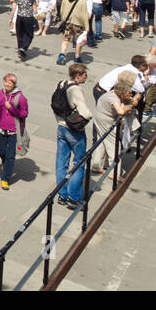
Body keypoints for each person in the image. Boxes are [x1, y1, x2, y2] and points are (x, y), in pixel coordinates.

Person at [53, 63, 93, 210]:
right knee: (79, 163)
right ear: (78, 76)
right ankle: (73, 198)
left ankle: (62, 195)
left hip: (61, 127)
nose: (86, 77)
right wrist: (86, 119)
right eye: (84, 75)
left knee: (61, 163)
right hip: (74, 131)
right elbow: (86, 112)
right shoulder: (76, 89)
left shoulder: (62, 84)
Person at [0, 73, 28, 190]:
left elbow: (24, 114)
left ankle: (5, 178)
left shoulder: (21, 98)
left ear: (14, 84)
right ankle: (7, 166)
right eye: (5, 81)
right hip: (1, 129)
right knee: (1, 151)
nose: (7, 84)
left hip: (14, 132)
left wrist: (12, 109)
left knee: (10, 156)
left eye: (9, 82)